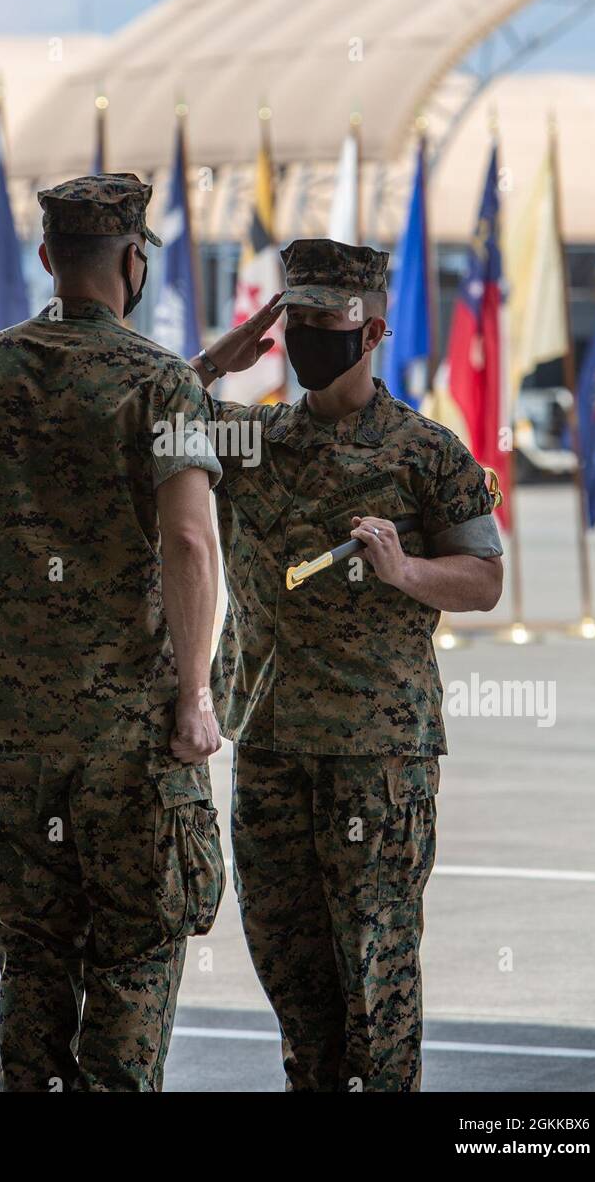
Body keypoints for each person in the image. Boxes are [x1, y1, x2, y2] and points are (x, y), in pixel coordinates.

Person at [0, 173, 225, 1092]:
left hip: (16, 743)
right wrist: (196, 698)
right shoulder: (158, 383)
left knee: (33, 958)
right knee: (137, 949)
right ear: (134, 261)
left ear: (47, 259)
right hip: (134, 744)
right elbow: (191, 540)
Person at [191, 238, 504, 1092]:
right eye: (297, 322)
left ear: (372, 337)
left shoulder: (427, 452)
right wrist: (227, 352)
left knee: (379, 975)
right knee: (291, 972)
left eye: (329, 324)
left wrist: (407, 573)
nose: (307, 341)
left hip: (379, 754)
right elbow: (152, 417)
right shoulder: (248, 440)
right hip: (271, 745)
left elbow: (484, 579)